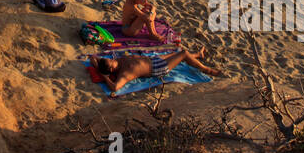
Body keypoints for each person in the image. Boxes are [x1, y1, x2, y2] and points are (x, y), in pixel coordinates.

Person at [94, 47, 222, 93]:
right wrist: (103, 76)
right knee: (183, 53)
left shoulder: (117, 62)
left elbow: (93, 58)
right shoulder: (125, 73)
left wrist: (97, 65)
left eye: (111, 59)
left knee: (175, 54)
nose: (113, 59)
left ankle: (198, 55)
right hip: (158, 68)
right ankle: (207, 70)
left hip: (153, 60)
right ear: (111, 68)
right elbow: (115, 88)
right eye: (111, 61)